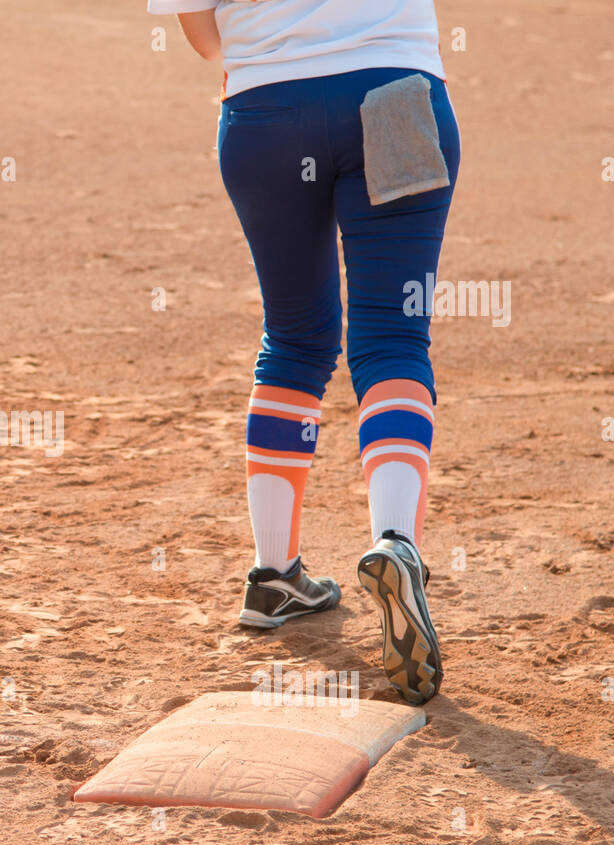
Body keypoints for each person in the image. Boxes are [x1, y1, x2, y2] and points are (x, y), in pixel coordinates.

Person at [149, 0, 461, 705]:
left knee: (294, 339)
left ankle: (275, 575)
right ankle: (395, 545)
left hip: (266, 111)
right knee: (392, 337)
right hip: (395, 93)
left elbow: (205, 38)